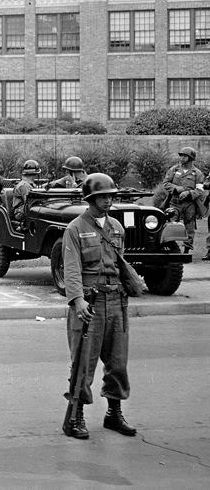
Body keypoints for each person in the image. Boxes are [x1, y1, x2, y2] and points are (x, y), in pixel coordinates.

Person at [61, 173, 146, 440]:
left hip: (116, 300)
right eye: (102, 196)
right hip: (90, 302)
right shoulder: (75, 228)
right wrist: (77, 300)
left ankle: (113, 413)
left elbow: (119, 262)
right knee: (83, 363)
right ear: (91, 198)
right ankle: (76, 417)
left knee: (118, 362)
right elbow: (71, 269)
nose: (108, 200)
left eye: (111, 196)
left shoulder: (117, 228)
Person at [158, 146, 205, 254]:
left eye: (185, 156)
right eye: (181, 155)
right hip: (175, 202)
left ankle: (187, 250)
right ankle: (170, 247)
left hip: (190, 204)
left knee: (190, 226)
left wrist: (188, 193)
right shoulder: (174, 170)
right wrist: (176, 188)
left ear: (191, 158)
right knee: (170, 224)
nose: (182, 158)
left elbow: (199, 190)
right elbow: (166, 183)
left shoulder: (197, 173)